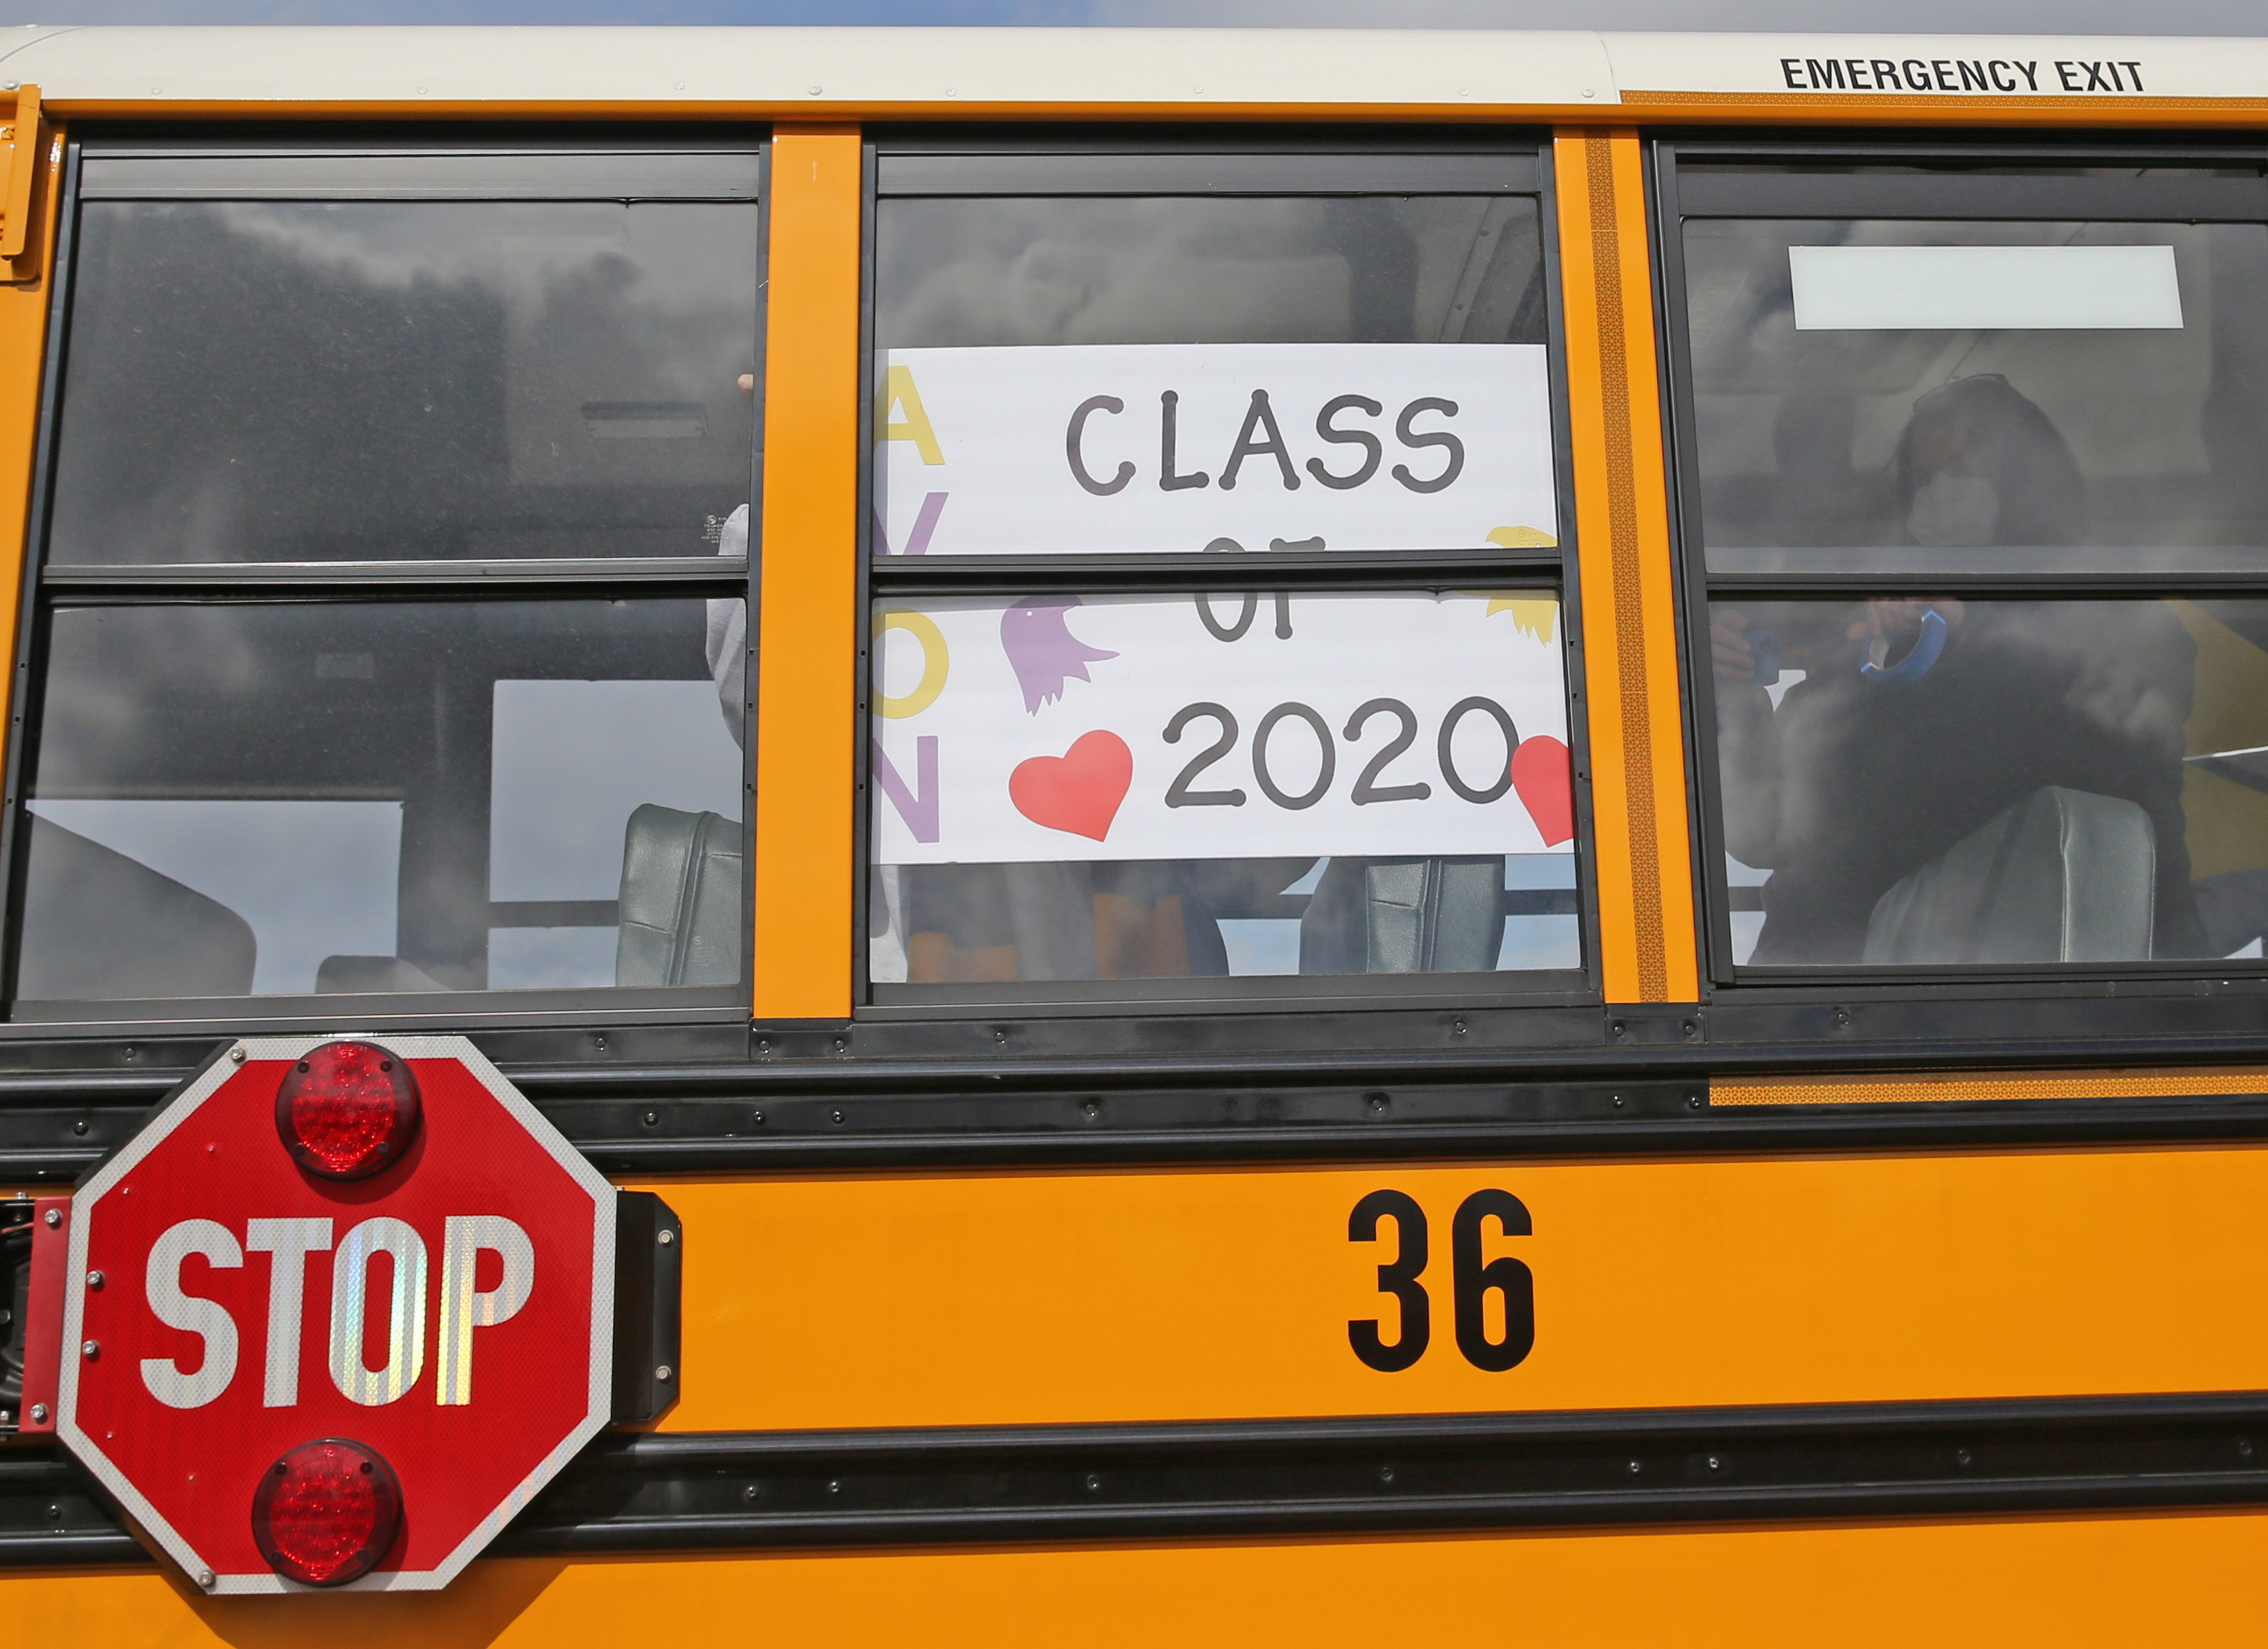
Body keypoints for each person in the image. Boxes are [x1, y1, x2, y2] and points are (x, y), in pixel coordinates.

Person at [1713, 375, 2205, 963]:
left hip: (2050, 993)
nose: (1940, 492)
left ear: (2028, 483)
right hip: (1826, 989)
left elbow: (2124, 745)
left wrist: (1972, 627)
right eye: (1923, 477)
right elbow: (1764, 832)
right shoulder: (1865, 648)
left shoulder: (2121, 618)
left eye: (1966, 470)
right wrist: (1731, 684)